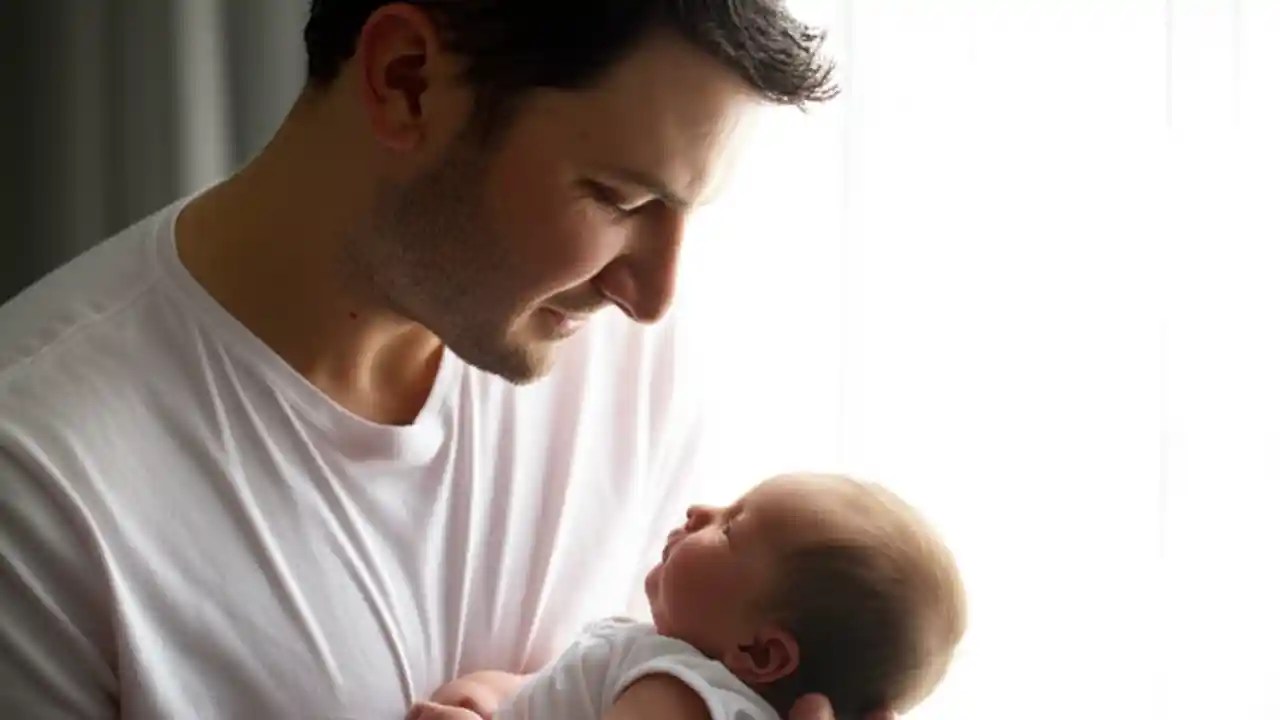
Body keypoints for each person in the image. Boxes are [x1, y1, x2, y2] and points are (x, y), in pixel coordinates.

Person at [0, 2, 855, 718]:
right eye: (619, 198)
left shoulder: (637, 369)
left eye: (684, 212)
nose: (652, 295)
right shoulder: (36, 483)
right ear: (406, 81)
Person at [410, 473, 966, 720]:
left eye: (729, 529)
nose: (700, 511)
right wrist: (487, 696)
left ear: (761, 653)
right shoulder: (668, 672)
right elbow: (552, 692)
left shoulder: (681, 692)